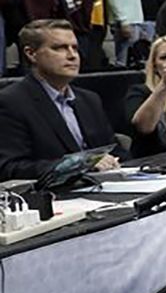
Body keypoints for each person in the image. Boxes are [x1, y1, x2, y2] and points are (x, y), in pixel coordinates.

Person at [0, 19, 123, 180]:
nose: (72, 56)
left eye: (75, 48)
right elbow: (9, 168)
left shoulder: (89, 99)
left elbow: (116, 151)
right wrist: (77, 165)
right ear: (31, 53)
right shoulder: (11, 102)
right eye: (59, 48)